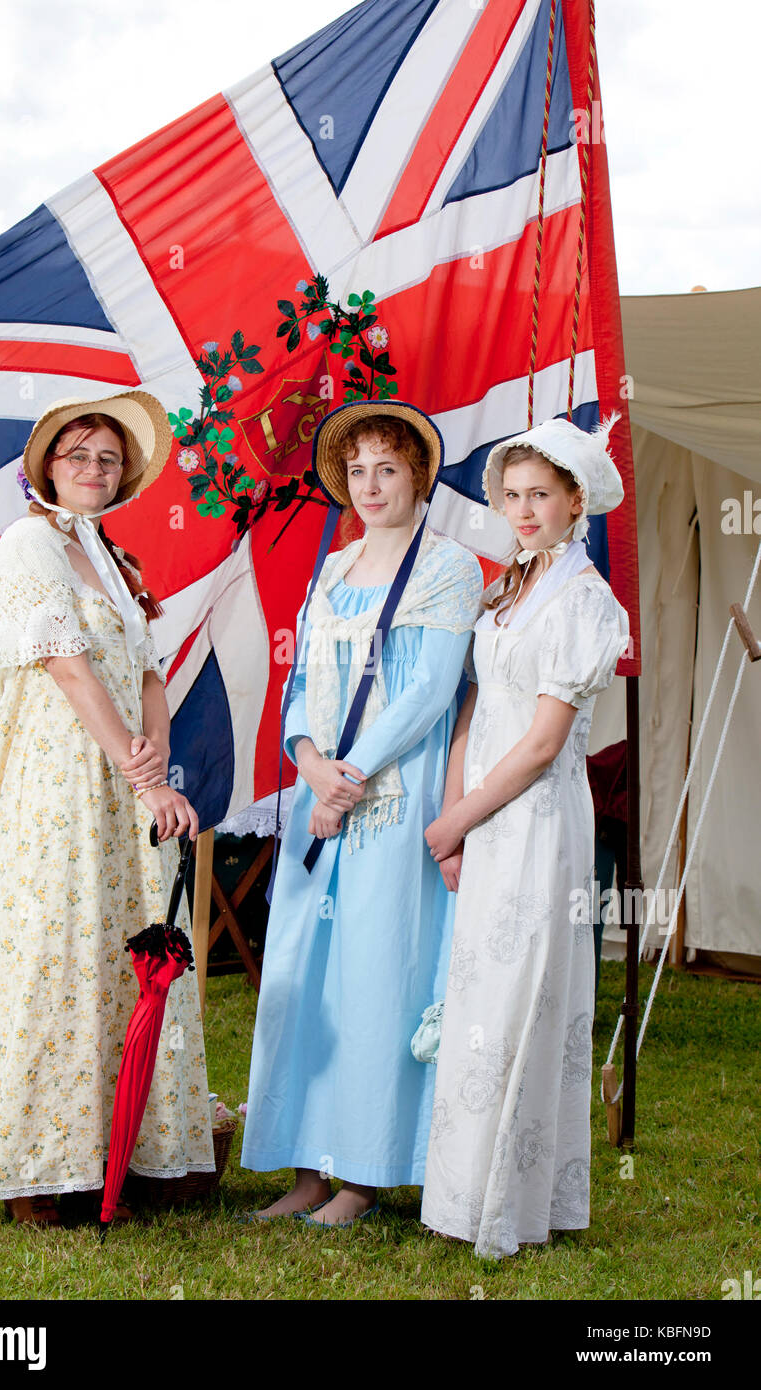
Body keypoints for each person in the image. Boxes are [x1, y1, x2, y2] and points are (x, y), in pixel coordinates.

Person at [0, 390, 214, 1224]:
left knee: (120, 941)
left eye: (107, 459)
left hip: (118, 769)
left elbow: (147, 671)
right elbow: (69, 667)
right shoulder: (28, 542)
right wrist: (141, 775)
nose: (93, 470)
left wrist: (156, 757)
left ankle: (121, 1149)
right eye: (78, 455)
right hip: (58, 772)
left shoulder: (113, 557)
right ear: (47, 466)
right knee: (53, 943)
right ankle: (42, 1164)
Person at [240, 400, 482, 1226]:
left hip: (392, 793)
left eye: (388, 468)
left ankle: (365, 1173)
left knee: (379, 972)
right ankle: (306, 1166)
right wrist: (310, 763)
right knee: (308, 980)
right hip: (322, 797)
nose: (370, 484)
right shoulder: (333, 571)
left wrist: (353, 776)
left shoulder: (451, 568)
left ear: (418, 474)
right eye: (357, 470)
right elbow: (300, 684)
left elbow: (429, 690)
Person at [420, 414, 630, 1258]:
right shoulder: (506, 586)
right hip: (480, 816)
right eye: (511, 496)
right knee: (478, 997)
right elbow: (476, 708)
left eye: (540, 494)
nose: (524, 509)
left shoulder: (586, 601)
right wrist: (452, 817)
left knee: (524, 998)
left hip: (538, 819)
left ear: (577, 501)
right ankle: (463, 1196)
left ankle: (513, 1201)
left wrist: (457, 820)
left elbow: (543, 744)